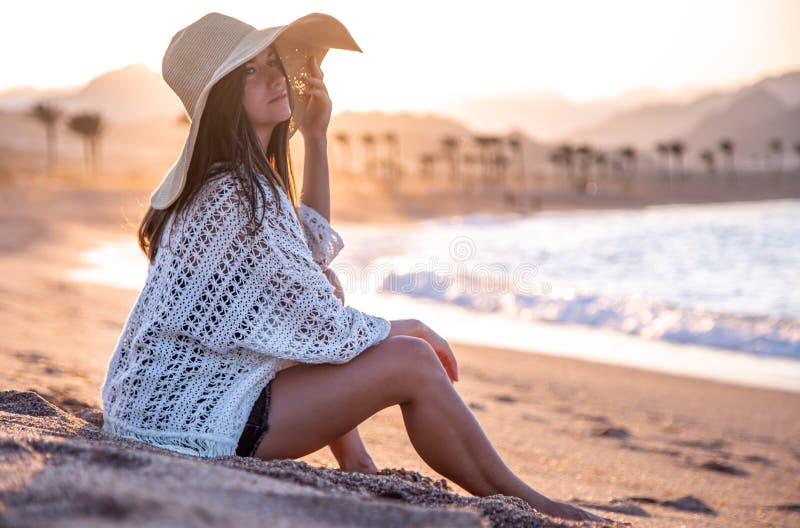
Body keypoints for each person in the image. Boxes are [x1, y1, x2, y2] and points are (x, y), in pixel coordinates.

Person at [100, 12, 609, 523]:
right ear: (223, 98)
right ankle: (527, 503)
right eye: (250, 71)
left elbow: (306, 258)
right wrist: (401, 328)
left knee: (329, 294)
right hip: (188, 419)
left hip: (166, 407)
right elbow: (317, 319)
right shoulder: (231, 193)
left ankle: (359, 461)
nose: (276, 77)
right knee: (410, 361)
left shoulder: (241, 183)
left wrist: (316, 137)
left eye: (271, 61)